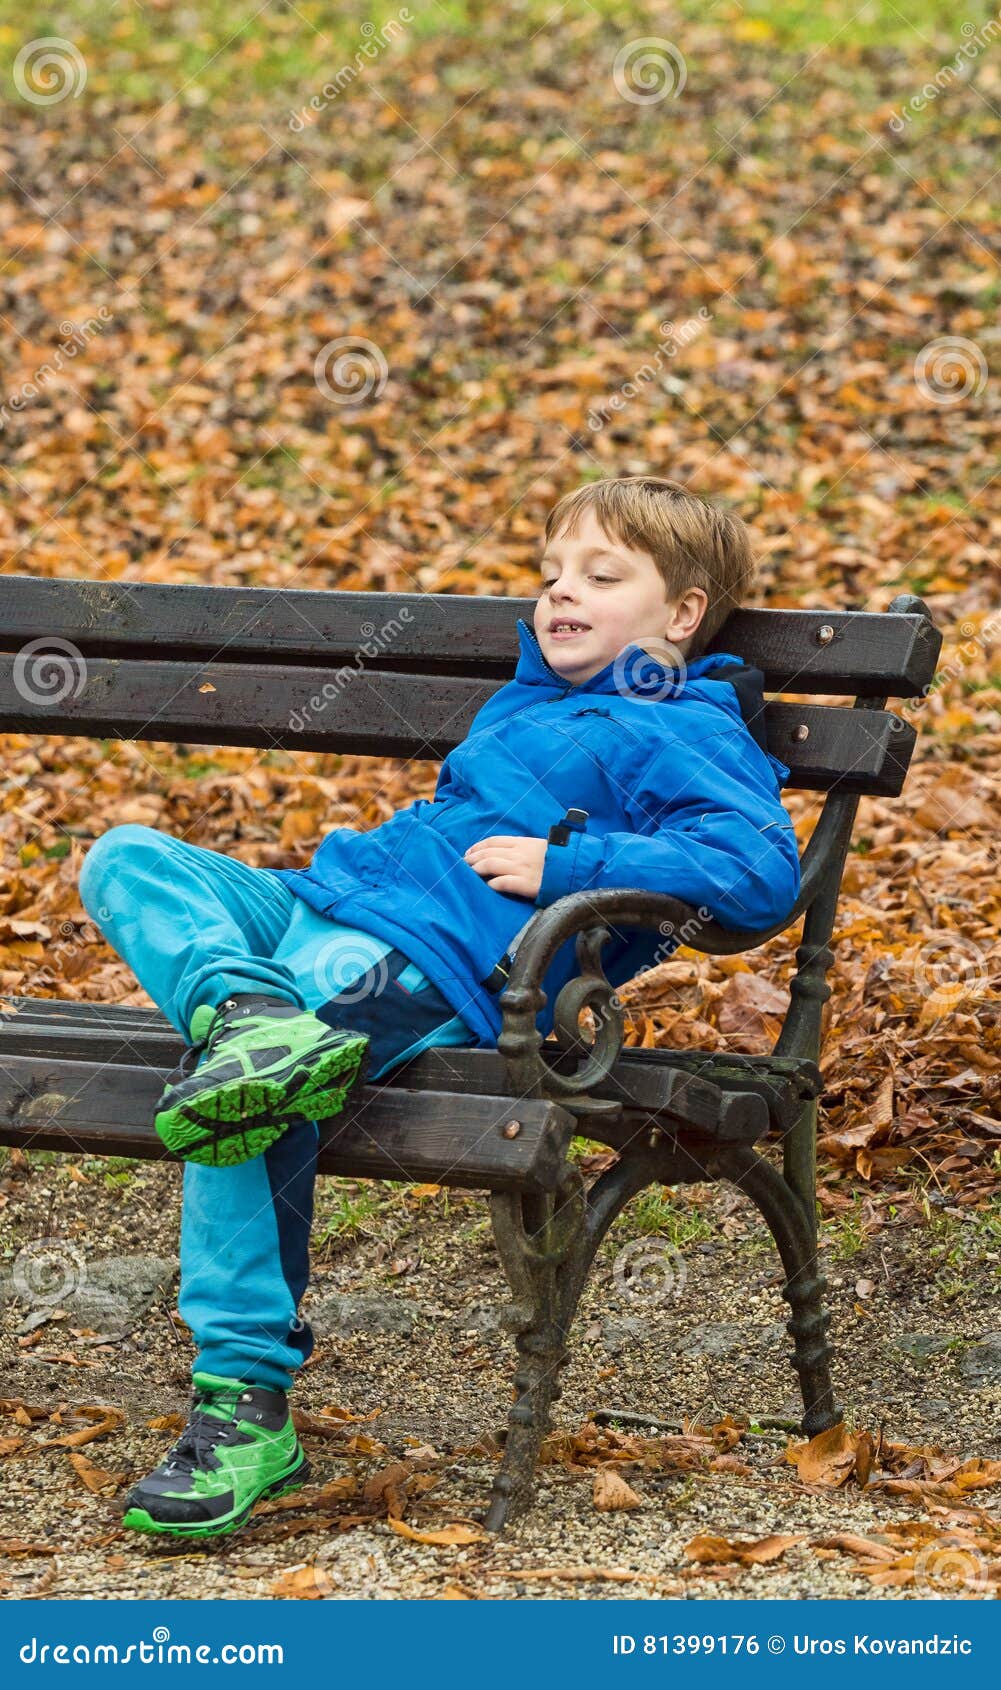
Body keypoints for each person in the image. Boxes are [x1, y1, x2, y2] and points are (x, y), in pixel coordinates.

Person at [77, 474, 800, 1538]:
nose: (560, 593)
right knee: (127, 857)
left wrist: (571, 861)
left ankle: (243, 1403)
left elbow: (756, 867)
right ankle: (244, 1008)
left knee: (242, 1097)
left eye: (600, 575)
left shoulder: (680, 722)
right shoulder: (534, 700)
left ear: (680, 615)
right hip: (320, 906)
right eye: (551, 572)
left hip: (421, 962)